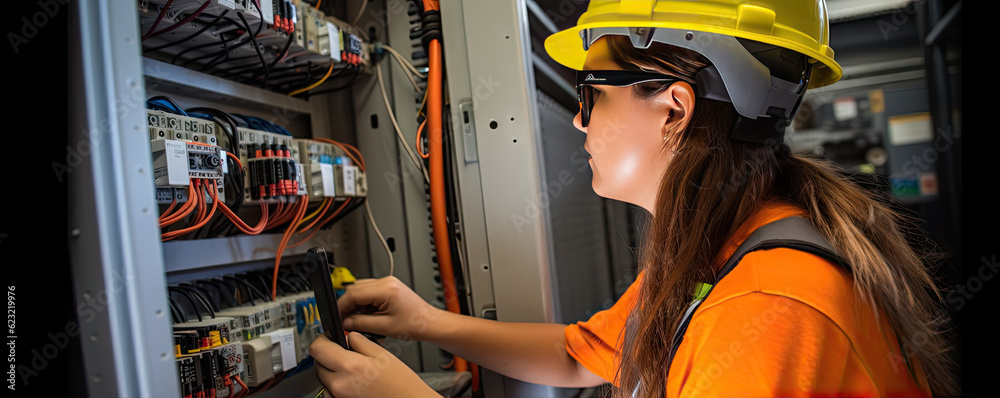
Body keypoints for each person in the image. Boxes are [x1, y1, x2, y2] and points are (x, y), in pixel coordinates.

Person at [307, 1, 957, 397]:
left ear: (674, 107)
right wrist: (424, 322)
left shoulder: (764, 309)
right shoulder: (727, 245)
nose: (578, 120)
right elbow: (580, 353)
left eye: (592, 93)